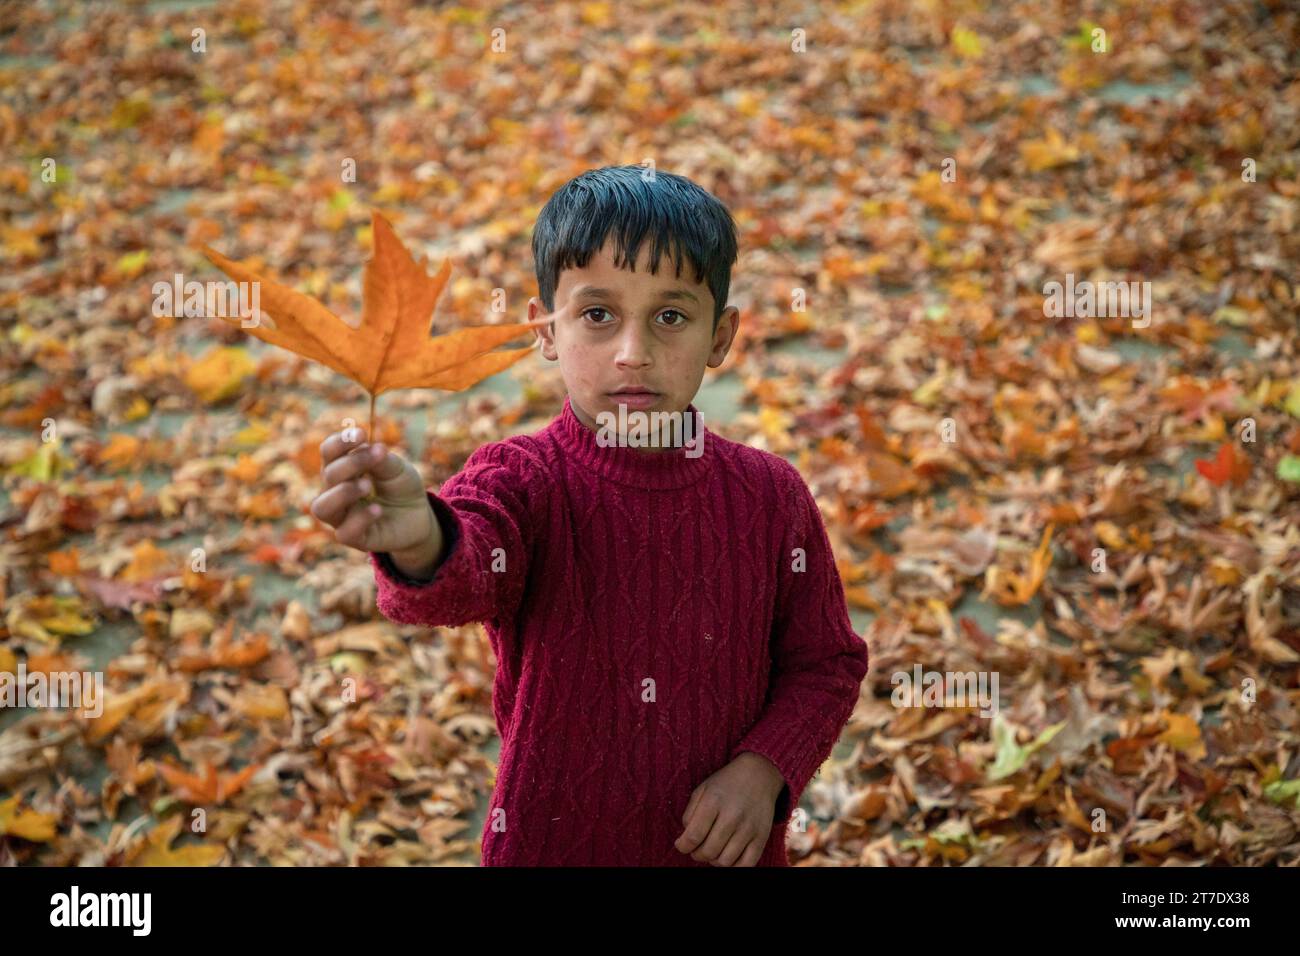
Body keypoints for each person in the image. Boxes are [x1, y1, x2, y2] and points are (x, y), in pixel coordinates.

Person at [311, 165, 870, 866]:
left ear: (721, 337)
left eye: (670, 316)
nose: (633, 353)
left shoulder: (770, 496)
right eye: (597, 315)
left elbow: (827, 663)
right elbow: (471, 564)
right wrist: (422, 538)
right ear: (545, 329)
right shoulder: (521, 480)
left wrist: (764, 771)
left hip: (722, 852)